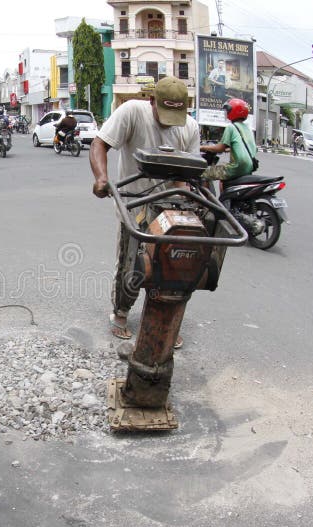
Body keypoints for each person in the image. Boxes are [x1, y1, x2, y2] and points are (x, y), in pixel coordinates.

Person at [89, 76, 200, 347]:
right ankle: (121, 313)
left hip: (171, 202)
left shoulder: (191, 126)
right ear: (151, 101)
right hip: (134, 200)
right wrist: (101, 178)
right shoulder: (131, 112)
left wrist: (190, 200)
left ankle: (163, 319)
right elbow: (99, 144)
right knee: (133, 261)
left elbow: (189, 170)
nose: (169, 120)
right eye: (165, 112)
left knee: (172, 264)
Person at [200, 98, 257, 192]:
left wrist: (202, 147)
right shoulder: (248, 128)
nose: (226, 113)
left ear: (233, 112)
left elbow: (220, 148)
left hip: (236, 167)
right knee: (223, 176)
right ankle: (225, 198)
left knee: (204, 173)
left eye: (228, 110)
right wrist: (230, 149)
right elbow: (246, 146)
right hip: (249, 167)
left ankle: (205, 202)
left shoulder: (231, 127)